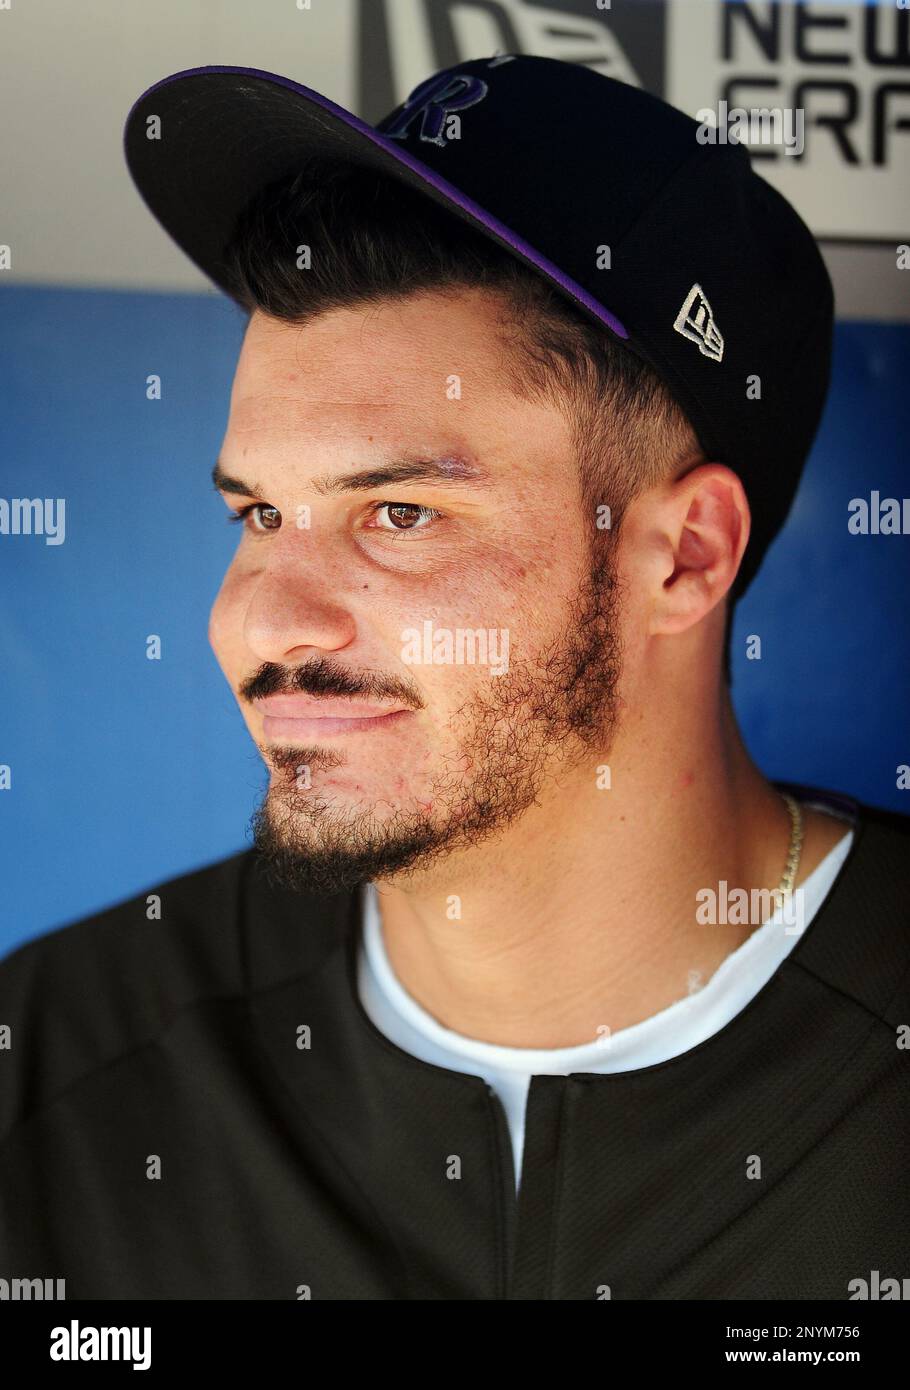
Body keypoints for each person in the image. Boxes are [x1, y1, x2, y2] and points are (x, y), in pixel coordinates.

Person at [1, 55, 907, 1301]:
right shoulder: (53, 1066)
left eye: (402, 513)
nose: (262, 620)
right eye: (259, 513)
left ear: (683, 555)